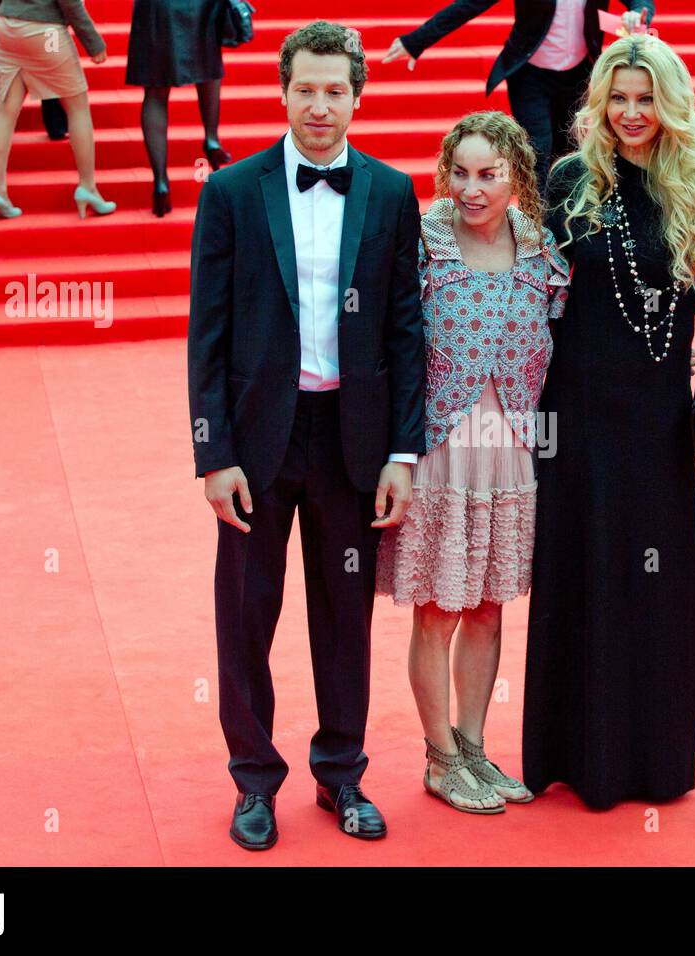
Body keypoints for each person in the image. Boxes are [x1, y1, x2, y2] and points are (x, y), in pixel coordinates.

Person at [187, 20, 426, 849]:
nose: (319, 104)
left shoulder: (393, 194)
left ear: (357, 96)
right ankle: (254, 782)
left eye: (335, 90)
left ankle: (343, 776)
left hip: (353, 444)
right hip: (259, 442)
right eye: (305, 88)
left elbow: (404, 331)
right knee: (246, 616)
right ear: (282, 91)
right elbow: (206, 334)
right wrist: (212, 456)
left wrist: (404, 451)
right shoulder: (231, 192)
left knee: (344, 618)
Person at [522, 34, 695, 809]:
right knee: (578, 567)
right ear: (598, 104)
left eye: (645, 99)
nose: (630, 113)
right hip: (575, 409)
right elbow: (536, 294)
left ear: (671, 103)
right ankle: (572, 754)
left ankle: (648, 757)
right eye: (617, 98)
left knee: (653, 582)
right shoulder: (569, 178)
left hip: (656, 418)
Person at [375, 111, 570, 813]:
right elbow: (391, 344)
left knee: (487, 609)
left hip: (513, 452)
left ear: (518, 174)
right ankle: (438, 759)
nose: (472, 188)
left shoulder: (543, 249)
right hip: (440, 453)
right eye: (461, 172)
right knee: (438, 611)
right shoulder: (422, 243)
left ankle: (474, 748)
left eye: (489, 174)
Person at [383, 1, 655, 195]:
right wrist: (416, 41)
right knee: (537, 152)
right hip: (531, 76)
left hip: (578, 75)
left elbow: (641, 2)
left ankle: (564, 228)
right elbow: (470, 4)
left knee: (569, 155)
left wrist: (637, 14)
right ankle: (537, 233)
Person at [0, 0, 115, 221]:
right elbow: (71, 4)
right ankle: (88, 188)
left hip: (8, 26)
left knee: (5, 111)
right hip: (45, 32)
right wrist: (94, 43)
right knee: (77, 108)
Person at [126, 0, 231, 216]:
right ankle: (211, 137)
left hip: (156, 9)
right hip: (202, 6)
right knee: (209, 70)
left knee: (155, 93)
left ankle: (161, 181)